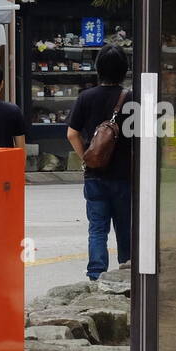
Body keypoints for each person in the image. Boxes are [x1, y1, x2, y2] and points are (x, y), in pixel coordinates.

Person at [66, 45, 135, 282]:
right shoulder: (132, 98)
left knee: (97, 229)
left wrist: (86, 155)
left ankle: (96, 274)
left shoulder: (86, 97)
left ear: (98, 69)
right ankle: (127, 271)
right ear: (125, 70)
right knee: (125, 227)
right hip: (125, 175)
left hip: (95, 174)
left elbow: (72, 133)